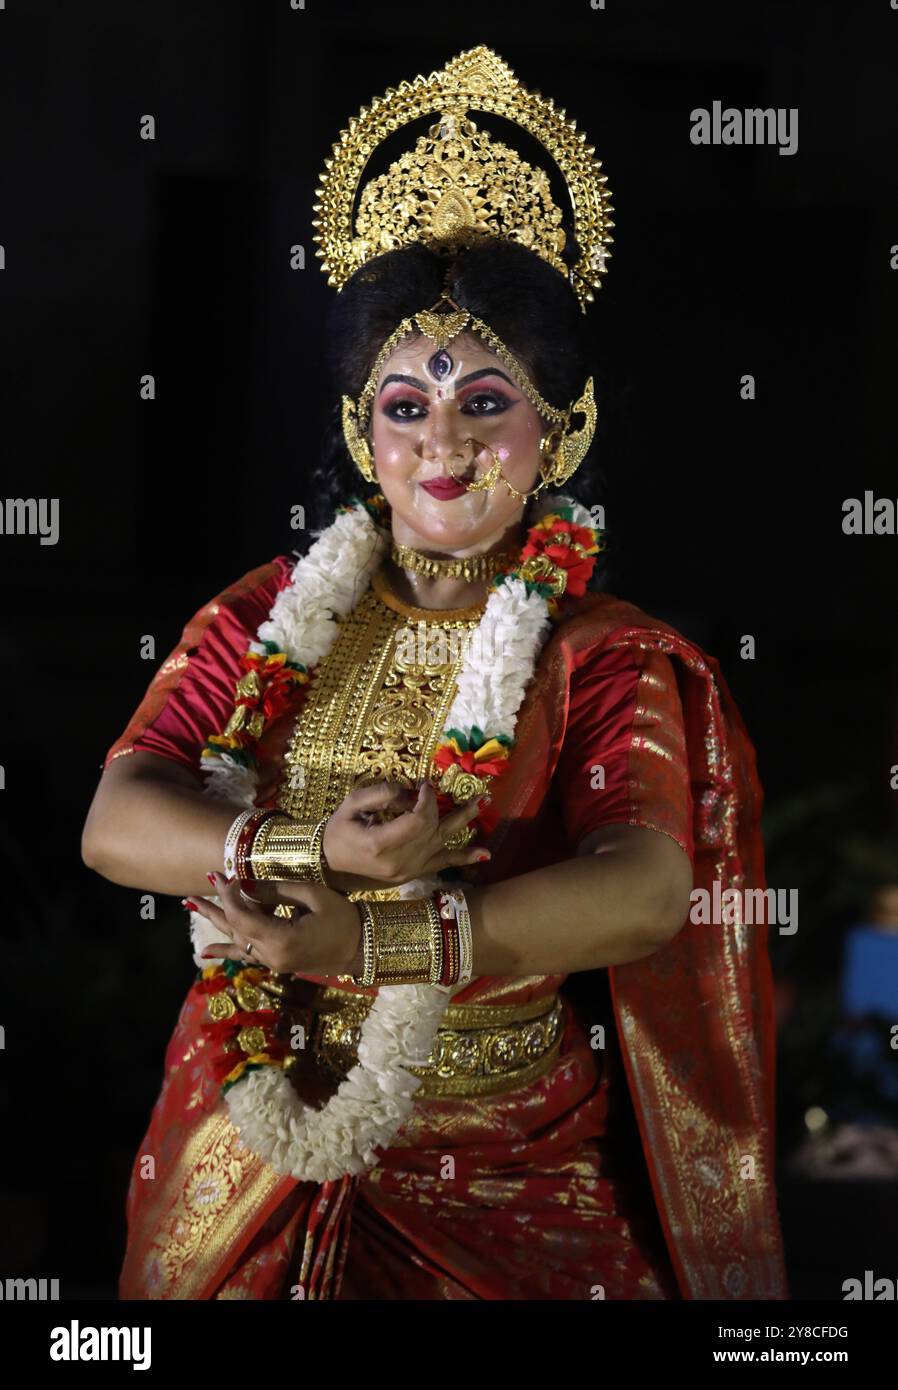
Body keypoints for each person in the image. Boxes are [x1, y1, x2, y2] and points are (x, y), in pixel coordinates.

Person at [82, 45, 788, 1300]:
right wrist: (304, 857)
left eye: (486, 404)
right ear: (363, 430)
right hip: (254, 1135)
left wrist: (389, 939)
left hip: (511, 1167)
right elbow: (119, 818)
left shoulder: (604, 652)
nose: (443, 444)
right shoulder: (259, 616)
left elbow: (643, 889)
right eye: (404, 405)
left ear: (560, 429)